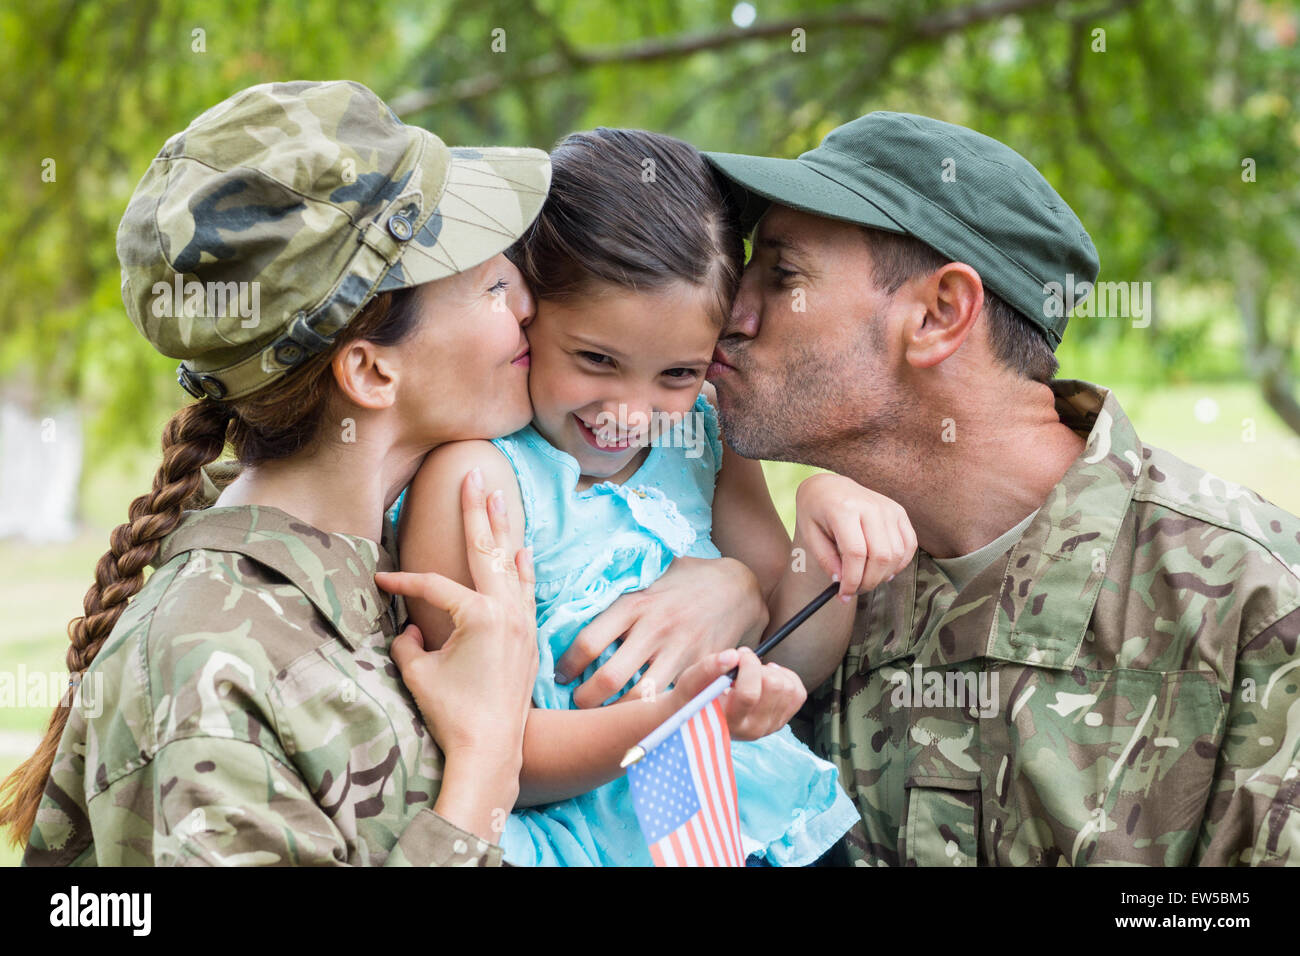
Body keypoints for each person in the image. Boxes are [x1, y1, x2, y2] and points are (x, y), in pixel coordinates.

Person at [0, 80, 761, 867]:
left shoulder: (405, 558)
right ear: (369, 372)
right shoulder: (207, 662)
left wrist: (732, 583)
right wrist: (482, 770)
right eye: (493, 285)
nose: (533, 305)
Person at [703, 111, 1300, 866]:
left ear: (939, 314)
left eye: (781, 274)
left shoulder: (1258, 607)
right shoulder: (823, 588)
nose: (727, 311)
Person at [390, 128, 913, 866]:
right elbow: (494, 749)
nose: (632, 411)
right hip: (607, 846)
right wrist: (678, 718)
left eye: (676, 372)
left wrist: (828, 533)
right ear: (527, 309)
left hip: (755, 831)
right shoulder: (480, 484)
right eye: (597, 359)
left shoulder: (702, 436)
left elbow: (792, 648)